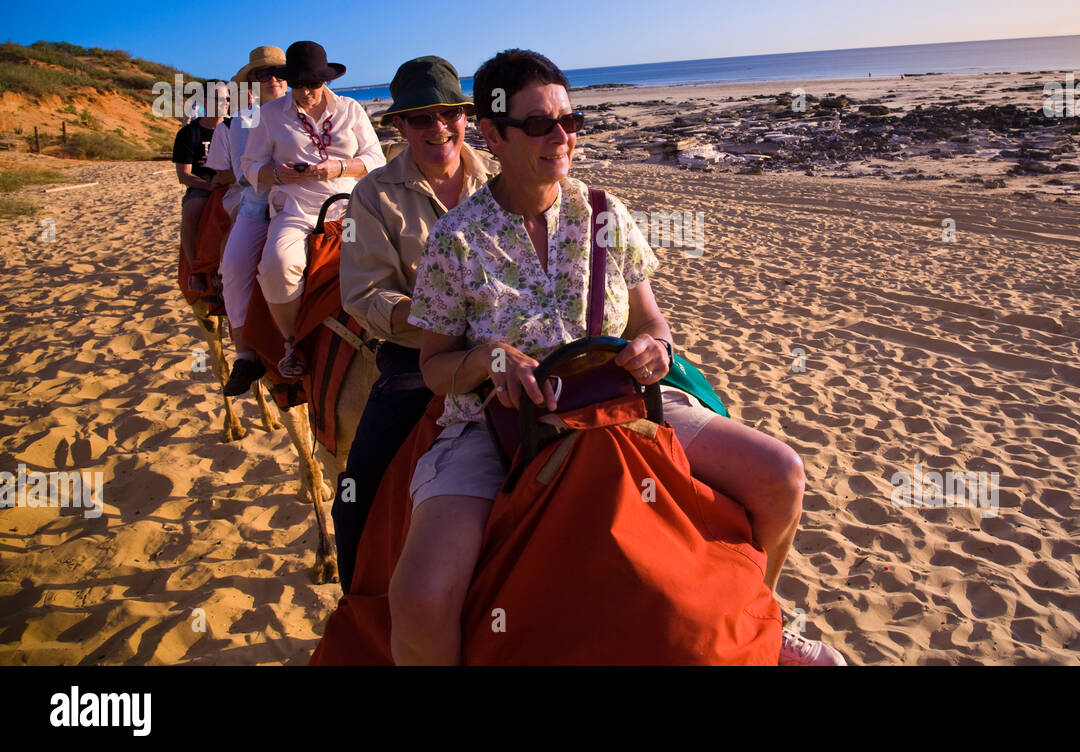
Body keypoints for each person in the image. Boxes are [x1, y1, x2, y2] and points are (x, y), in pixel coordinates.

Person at [388, 49, 844, 666]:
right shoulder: (455, 237)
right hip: (495, 421)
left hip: (616, 401)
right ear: (492, 133)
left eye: (569, 120)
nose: (561, 137)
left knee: (782, 476)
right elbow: (435, 366)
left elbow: (652, 320)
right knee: (420, 599)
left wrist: (656, 348)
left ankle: (756, 618)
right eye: (539, 124)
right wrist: (491, 359)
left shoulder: (604, 212)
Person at [334, 55, 496, 593]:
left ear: (465, 117)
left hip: (513, 348)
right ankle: (358, 603)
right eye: (421, 117)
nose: (439, 127)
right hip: (418, 356)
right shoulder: (373, 196)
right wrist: (436, 315)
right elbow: (364, 294)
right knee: (359, 489)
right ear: (399, 126)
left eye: (449, 113)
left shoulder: (498, 180)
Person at [240, 41, 385, 378]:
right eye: (298, 85)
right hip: (295, 210)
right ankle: (291, 343)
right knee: (278, 265)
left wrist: (339, 168)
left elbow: (375, 159)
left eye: (313, 85)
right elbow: (250, 165)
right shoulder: (269, 116)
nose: (305, 92)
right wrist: (279, 174)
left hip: (351, 208)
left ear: (326, 81)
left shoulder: (350, 109)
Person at [212, 47, 289, 395]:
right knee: (235, 265)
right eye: (262, 74)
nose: (272, 79)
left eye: (278, 72)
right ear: (252, 83)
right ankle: (245, 354)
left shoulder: (312, 109)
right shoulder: (243, 121)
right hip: (259, 206)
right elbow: (249, 173)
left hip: (314, 203)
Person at [173, 84, 232, 286]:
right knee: (192, 210)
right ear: (205, 101)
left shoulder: (235, 128)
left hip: (233, 180)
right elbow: (184, 175)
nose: (225, 103)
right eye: (219, 99)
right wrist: (209, 186)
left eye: (227, 99)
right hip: (203, 182)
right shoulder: (189, 133)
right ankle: (195, 269)